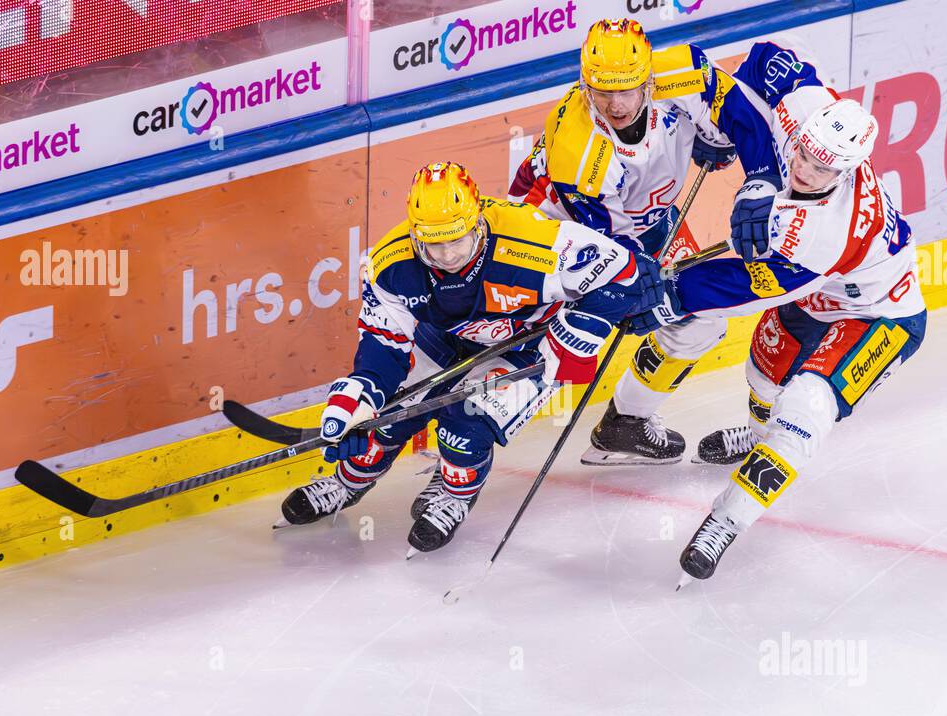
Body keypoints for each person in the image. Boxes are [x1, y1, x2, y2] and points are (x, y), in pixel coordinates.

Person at [609, 42, 928, 584]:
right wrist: (727, 137)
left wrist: (672, 293)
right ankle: (759, 436)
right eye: (801, 153)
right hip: (815, 297)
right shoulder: (811, 112)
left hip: (881, 313)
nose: (801, 167)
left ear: (848, 171)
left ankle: (726, 521)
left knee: (804, 404)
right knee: (762, 371)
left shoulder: (829, 232)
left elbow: (750, 286)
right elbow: (763, 61)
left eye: (817, 166)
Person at [276, 161, 667, 554]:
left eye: (456, 240)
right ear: (415, 234)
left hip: (524, 344)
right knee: (388, 417)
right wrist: (360, 396)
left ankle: (455, 495)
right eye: (434, 244)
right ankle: (348, 483)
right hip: (444, 336)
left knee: (465, 426)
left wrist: (592, 321)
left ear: (478, 223)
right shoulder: (390, 265)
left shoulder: (534, 240)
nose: (447, 255)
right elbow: (383, 346)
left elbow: (623, 271)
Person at [508, 17, 780, 465]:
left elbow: (741, 115)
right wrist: (635, 291)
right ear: (584, 84)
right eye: (602, 90)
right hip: (555, 234)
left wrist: (758, 176)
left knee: (702, 319)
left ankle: (624, 423)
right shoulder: (579, 149)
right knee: (541, 345)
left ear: (649, 78)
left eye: (626, 89)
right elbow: (611, 246)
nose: (615, 104)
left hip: (647, 219)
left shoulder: (685, 70)